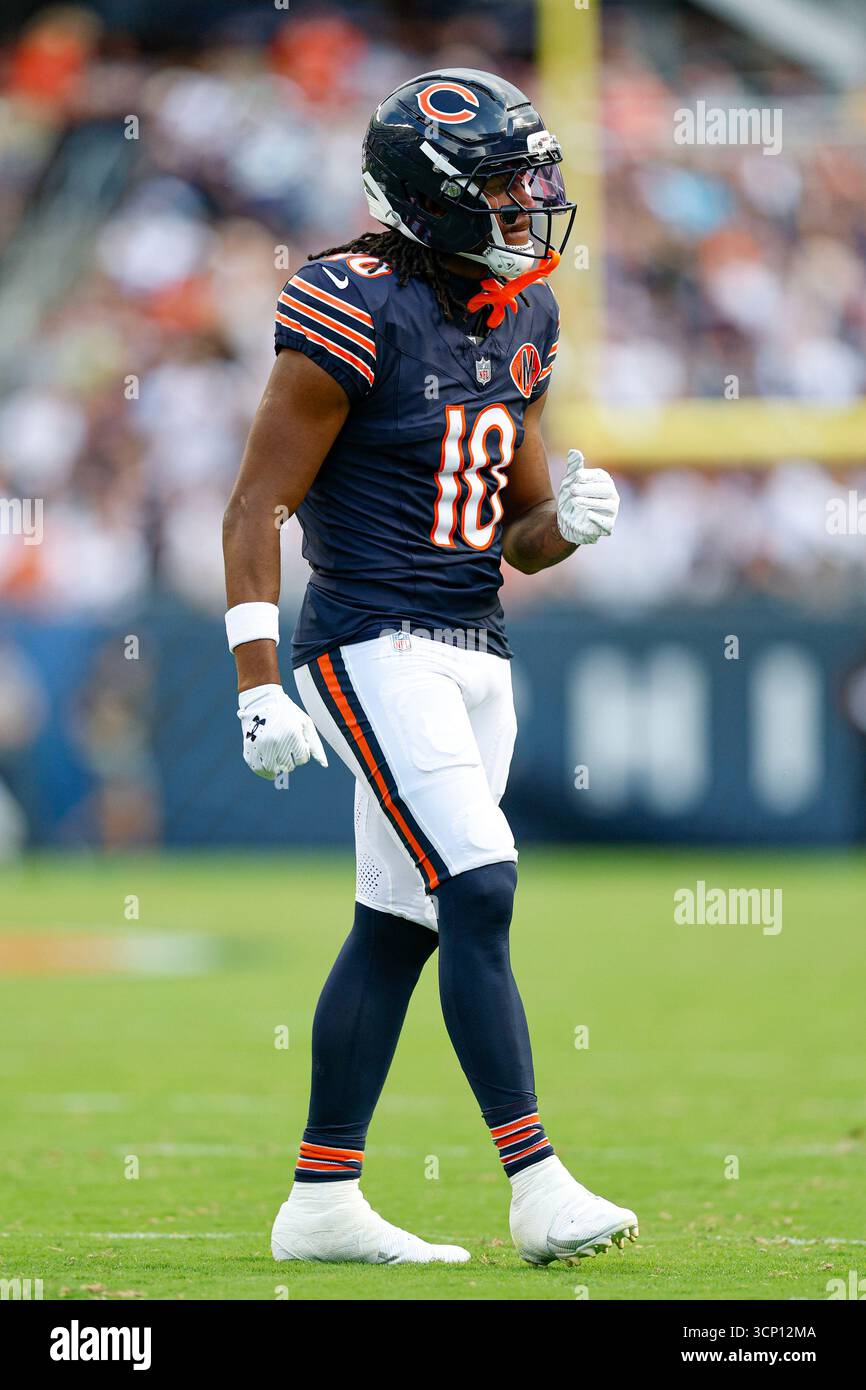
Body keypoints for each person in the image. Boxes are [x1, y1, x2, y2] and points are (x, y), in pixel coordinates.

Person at [222, 68, 637, 1266]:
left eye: (533, 177)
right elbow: (256, 504)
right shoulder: (349, 301)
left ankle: (319, 1200)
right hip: (367, 643)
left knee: (397, 924)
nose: (532, 201)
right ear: (434, 193)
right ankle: (534, 1181)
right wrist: (256, 681)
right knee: (482, 882)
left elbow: (515, 535)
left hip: (473, 649)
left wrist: (569, 523)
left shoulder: (523, 317)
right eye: (507, 182)